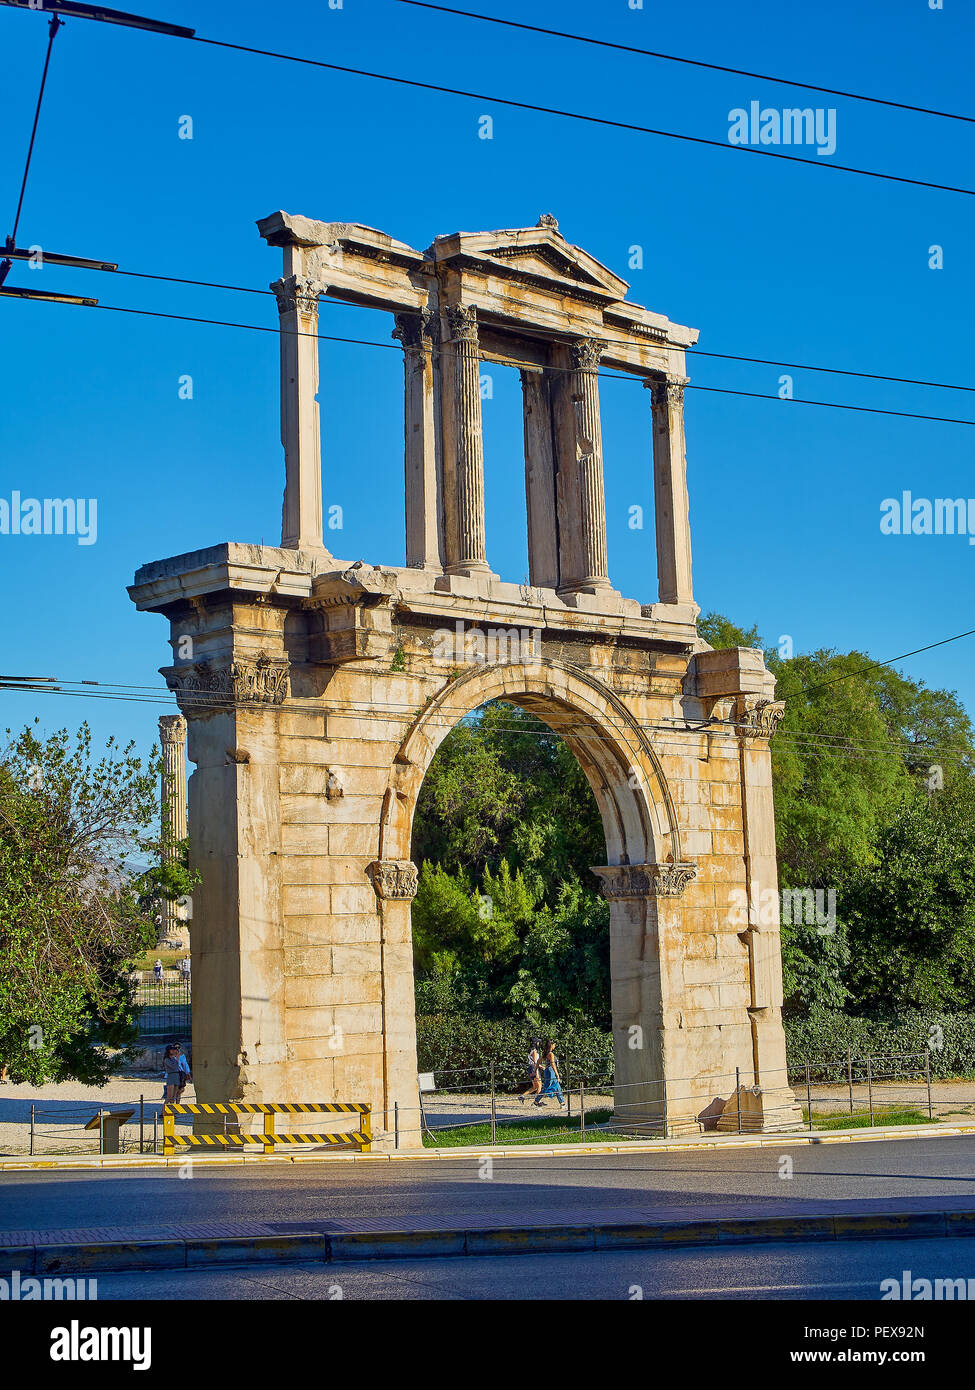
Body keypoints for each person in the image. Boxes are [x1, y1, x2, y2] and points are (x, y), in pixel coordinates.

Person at [534, 1039, 565, 1107]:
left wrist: (535, 1069)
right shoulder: (550, 1054)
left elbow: (538, 1061)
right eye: (554, 1045)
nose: (554, 1046)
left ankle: (562, 1102)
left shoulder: (546, 1053)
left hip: (548, 1071)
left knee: (557, 1087)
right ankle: (536, 1102)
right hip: (551, 1072)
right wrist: (557, 1074)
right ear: (551, 1045)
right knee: (546, 1087)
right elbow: (553, 1064)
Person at [518, 1038, 543, 1104]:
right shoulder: (534, 1051)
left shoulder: (532, 1050)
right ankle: (537, 1102)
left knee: (535, 1087)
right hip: (534, 1068)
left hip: (531, 1068)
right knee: (539, 1086)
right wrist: (541, 1067)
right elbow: (535, 1062)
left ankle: (522, 1096)